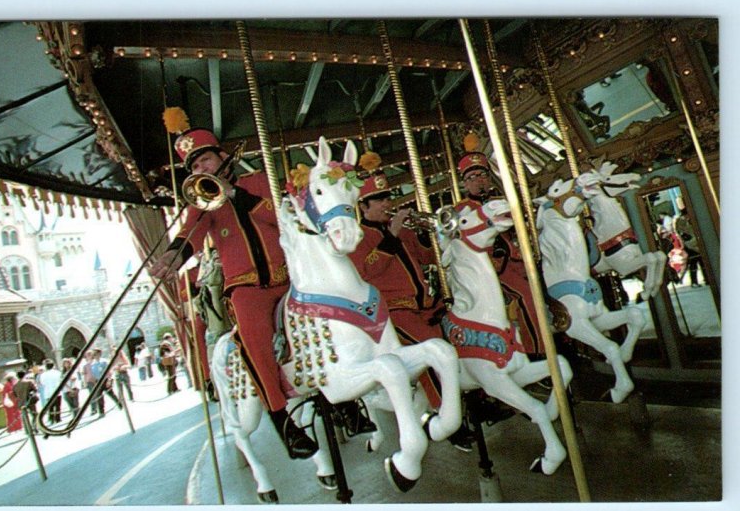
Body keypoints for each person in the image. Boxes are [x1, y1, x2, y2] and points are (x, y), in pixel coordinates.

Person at [148, 127, 316, 459]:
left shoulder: (257, 181)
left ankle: (346, 402)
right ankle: (281, 419)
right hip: (246, 287)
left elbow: (279, 217)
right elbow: (190, 233)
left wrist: (236, 194)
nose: (200, 171)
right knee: (254, 342)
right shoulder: (203, 203)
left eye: (205, 161)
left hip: (290, 278)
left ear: (223, 158)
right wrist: (172, 257)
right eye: (194, 169)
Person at [347, 168, 470, 449]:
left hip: (426, 304)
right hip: (393, 314)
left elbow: (428, 257)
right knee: (430, 348)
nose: (387, 203)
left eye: (387, 197)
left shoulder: (402, 229)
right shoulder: (358, 237)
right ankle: (446, 417)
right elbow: (368, 271)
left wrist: (435, 235)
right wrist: (391, 233)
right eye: (378, 199)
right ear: (363, 206)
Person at [457, 145, 544, 356]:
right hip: (492, 267)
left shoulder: (502, 202)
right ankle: (537, 351)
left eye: (483, 175)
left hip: (517, 259)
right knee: (526, 295)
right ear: (465, 183)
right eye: (473, 177)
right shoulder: (462, 210)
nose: (480, 180)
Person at [673, 209, 704, 287]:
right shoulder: (682, 221)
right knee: (694, 263)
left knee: (696, 263)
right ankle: (694, 281)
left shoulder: (680, 220)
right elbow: (684, 234)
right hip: (689, 245)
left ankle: (700, 280)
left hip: (690, 244)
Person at [90, 348, 123, 417]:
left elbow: (109, 371)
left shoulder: (104, 361)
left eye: (96, 354)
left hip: (105, 380)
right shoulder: (93, 363)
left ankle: (119, 404)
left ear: (99, 354)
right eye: (94, 354)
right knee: (99, 397)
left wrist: (109, 380)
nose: (95, 355)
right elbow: (93, 373)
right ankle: (101, 412)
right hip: (98, 381)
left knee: (111, 394)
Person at [40, 359, 62, 425]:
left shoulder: (43, 375)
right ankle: (58, 418)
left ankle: (51, 419)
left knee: (50, 406)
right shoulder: (57, 372)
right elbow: (60, 380)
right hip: (57, 391)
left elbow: (42, 383)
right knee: (58, 406)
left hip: (48, 392)